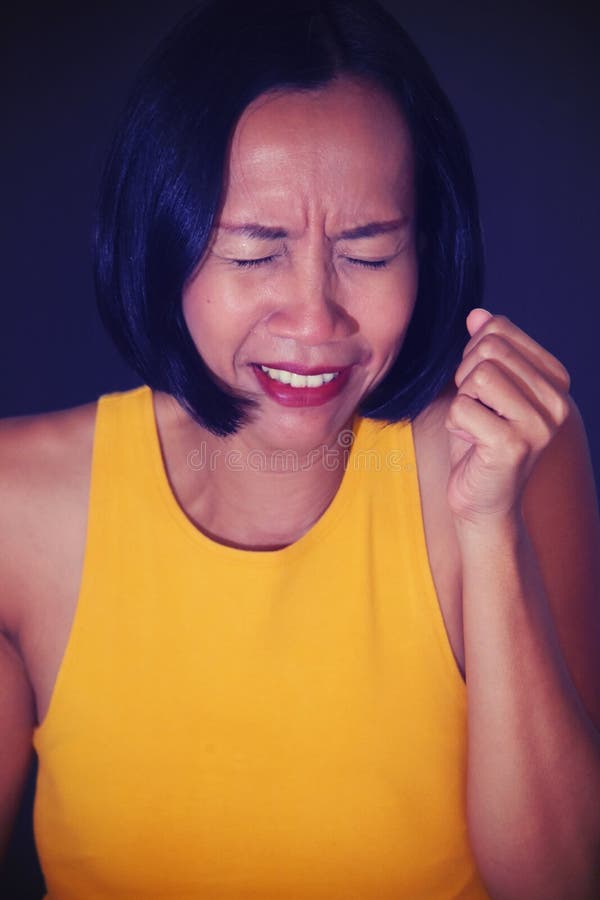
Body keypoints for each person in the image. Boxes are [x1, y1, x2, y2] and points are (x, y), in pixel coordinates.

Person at [1, 0, 599, 897]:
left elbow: (562, 883)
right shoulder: (17, 506)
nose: (315, 321)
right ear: (162, 245)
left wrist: (488, 532)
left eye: (367, 253)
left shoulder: (512, 456)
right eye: (252, 255)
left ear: (426, 251)